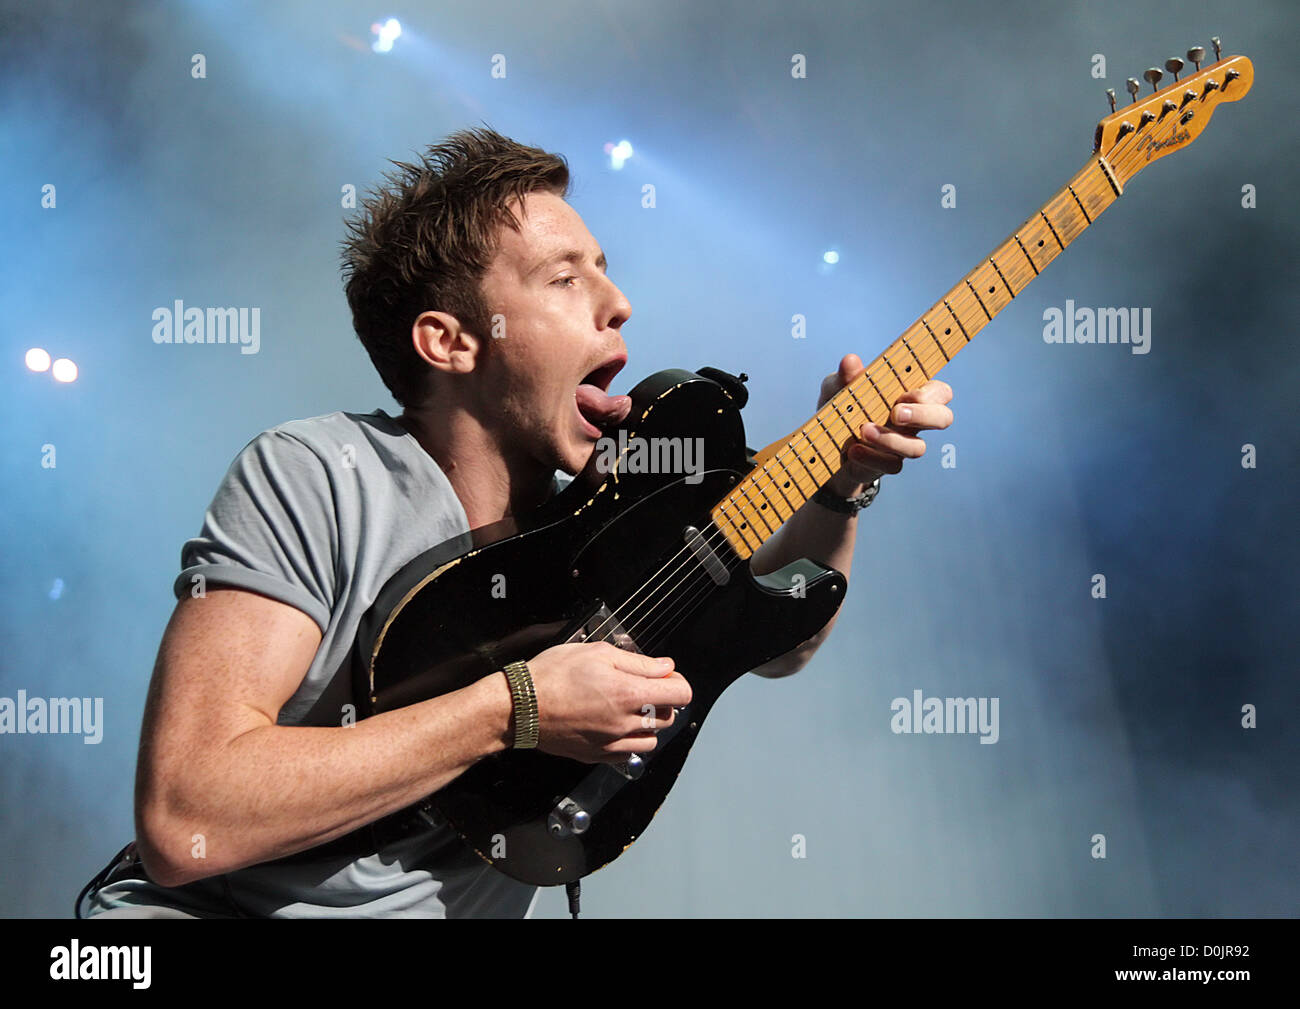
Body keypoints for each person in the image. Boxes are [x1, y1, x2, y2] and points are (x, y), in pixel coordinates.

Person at [82, 128, 954, 918]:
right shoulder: (314, 473)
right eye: (564, 278)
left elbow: (779, 639)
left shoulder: (617, 510)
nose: (618, 304)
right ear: (451, 341)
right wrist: (516, 708)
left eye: (605, 269)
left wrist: (839, 488)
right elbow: (186, 812)